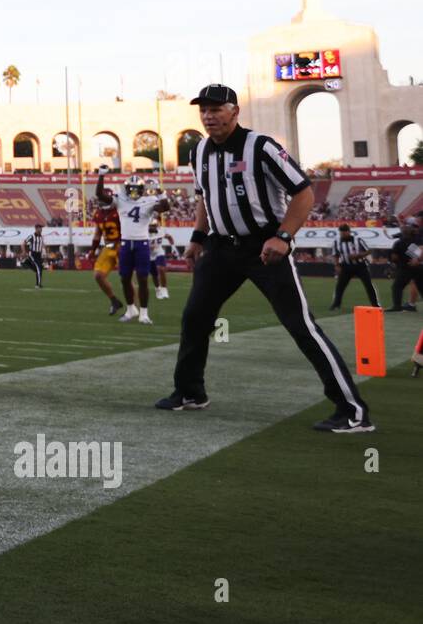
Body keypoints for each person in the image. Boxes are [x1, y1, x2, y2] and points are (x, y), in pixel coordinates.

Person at [154, 84, 372, 433]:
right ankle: (190, 392)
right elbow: (204, 198)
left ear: (235, 111)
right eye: (204, 110)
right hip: (221, 248)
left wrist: (283, 237)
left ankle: (352, 409)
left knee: (300, 325)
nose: (209, 116)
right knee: (195, 317)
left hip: (263, 247)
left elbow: (303, 191)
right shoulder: (199, 152)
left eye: (216, 109)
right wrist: (197, 238)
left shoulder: (261, 146)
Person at [96, 170, 169, 325]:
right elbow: (101, 195)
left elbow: (165, 207)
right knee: (124, 278)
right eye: (131, 189)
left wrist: (159, 191)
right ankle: (131, 310)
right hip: (125, 243)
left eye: (137, 189)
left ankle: (144, 313)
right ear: (126, 189)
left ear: (142, 189)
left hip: (141, 243)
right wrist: (101, 175)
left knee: (143, 278)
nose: (134, 192)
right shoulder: (120, 199)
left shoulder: (149, 200)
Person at [329, 223, 380, 310]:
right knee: (340, 286)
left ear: (349, 232)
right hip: (346, 266)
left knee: (368, 285)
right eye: (341, 233)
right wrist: (337, 265)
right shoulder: (336, 242)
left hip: (360, 266)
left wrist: (358, 255)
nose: (343, 234)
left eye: (344, 233)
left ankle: (375, 304)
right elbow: (335, 255)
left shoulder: (358, 240)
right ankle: (336, 304)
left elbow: (368, 251)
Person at [89, 203, 122, 314]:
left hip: (121, 246)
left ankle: (135, 309)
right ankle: (114, 301)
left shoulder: (120, 211)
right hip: (108, 247)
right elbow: (98, 234)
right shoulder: (99, 213)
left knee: (126, 277)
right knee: (98, 275)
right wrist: (93, 250)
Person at [385, 216, 422, 312]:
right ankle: (405, 305)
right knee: (421, 286)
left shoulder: (400, 242)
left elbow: (394, 257)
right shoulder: (414, 240)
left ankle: (397, 306)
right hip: (417, 267)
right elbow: (416, 253)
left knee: (397, 286)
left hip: (406, 268)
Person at [20, 223, 45, 289]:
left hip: (39, 254)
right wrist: (24, 252)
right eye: (40, 228)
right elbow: (23, 243)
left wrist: (43, 254)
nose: (41, 229)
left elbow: (41, 246)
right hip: (33, 254)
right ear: (36, 228)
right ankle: (38, 284)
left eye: (41, 228)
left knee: (39, 269)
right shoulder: (32, 236)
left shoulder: (41, 237)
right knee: (38, 268)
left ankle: (26, 262)